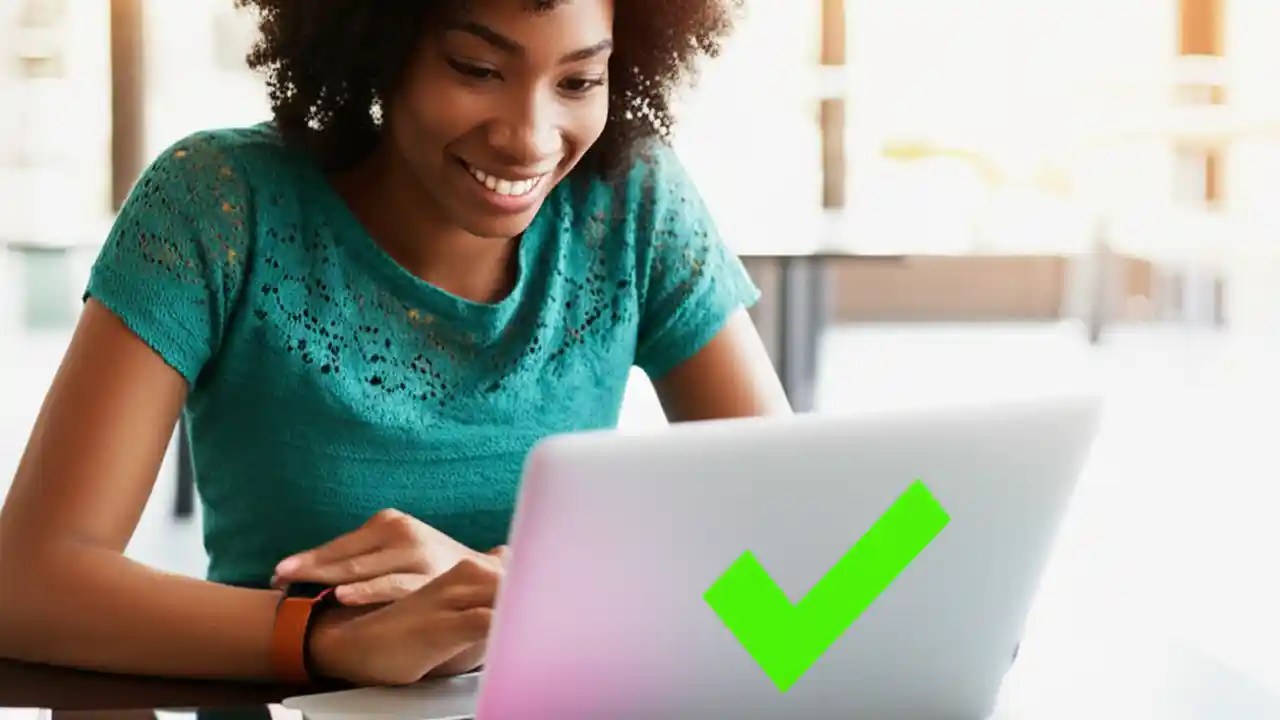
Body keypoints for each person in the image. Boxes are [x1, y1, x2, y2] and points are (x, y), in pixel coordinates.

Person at [0, 0, 790, 689]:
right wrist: (332, 640)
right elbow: (26, 587)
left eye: (579, 81)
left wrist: (531, 591)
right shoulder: (218, 204)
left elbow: (797, 585)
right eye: (477, 69)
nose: (528, 137)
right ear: (379, 43)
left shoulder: (631, 205)